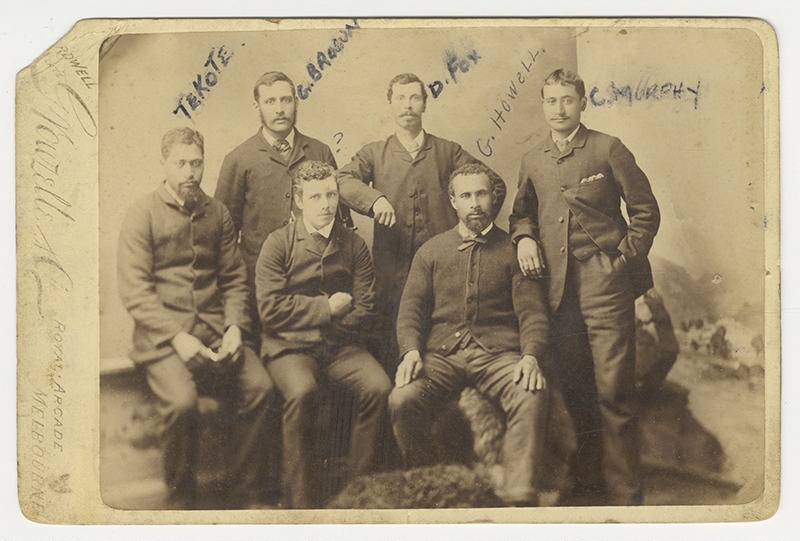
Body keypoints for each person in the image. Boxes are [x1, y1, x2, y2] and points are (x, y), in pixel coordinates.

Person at [509, 68, 660, 506]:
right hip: (557, 291)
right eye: (551, 101)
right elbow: (522, 213)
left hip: (606, 285)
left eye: (567, 100)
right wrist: (522, 238)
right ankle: (588, 482)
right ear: (543, 105)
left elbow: (645, 210)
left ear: (582, 103)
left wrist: (623, 259)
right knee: (576, 389)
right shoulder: (533, 157)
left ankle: (625, 495)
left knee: (614, 390)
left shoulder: (607, 147)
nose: (559, 109)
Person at [117, 127, 277, 509]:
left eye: (196, 162)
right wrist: (176, 337)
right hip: (164, 341)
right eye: (181, 163)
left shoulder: (217, 213)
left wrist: (235, 326)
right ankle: (180, 502)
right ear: (165, 164)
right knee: (182, 403)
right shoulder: (143, 213)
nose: (190, 171)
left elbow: (236, 279)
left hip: (216, 332)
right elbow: (135, 290)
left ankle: (242, 495)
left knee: (261, 388)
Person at [388, 163, 549, 507]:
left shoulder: (514, 250)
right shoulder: (431, 251)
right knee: (402, 399)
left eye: (481, 194)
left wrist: (531, 355)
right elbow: (411, 310)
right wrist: (411, 351)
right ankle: (430, 481)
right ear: (453, 202)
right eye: (466, 196)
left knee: (530, 395)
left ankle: (519, 496)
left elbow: (533, 313)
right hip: (441, 358)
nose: (474, 203)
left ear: (493, 197)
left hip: (498, 357)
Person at [336, 73, 507, 370]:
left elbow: (495, 184)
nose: (408, 105)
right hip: (392, 270)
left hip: (445, 267)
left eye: (415, 98)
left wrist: (471, 226)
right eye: (400, 98)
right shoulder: (375, 153)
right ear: (390, 104)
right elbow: (342, 180)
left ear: (425, 104)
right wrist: (374, 200)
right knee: (392, 343)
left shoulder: (448, 151)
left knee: (440, 342)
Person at [255, 160, 392, 509]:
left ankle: (357, 492)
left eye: (331, 194)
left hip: (342, 346)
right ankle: (299, 502)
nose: (326, 204)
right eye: (316, 197)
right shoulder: (277, 244)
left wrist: (330, 327)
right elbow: (270, 309)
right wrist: (326, 310)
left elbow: (366, 307)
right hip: (289, 348)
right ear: (300, 200)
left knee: (379, 387)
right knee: (302, 392)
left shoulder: (353, 244)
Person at [214, 71, 351, 338]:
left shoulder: (319, 151)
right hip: (261, 285)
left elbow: (339, 219)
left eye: (286, 100)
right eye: (270, 101)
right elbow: (224, 233)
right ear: (257, 106)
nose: (279, 109)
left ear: (296, 102)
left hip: (316, 283)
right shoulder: (239, 159)